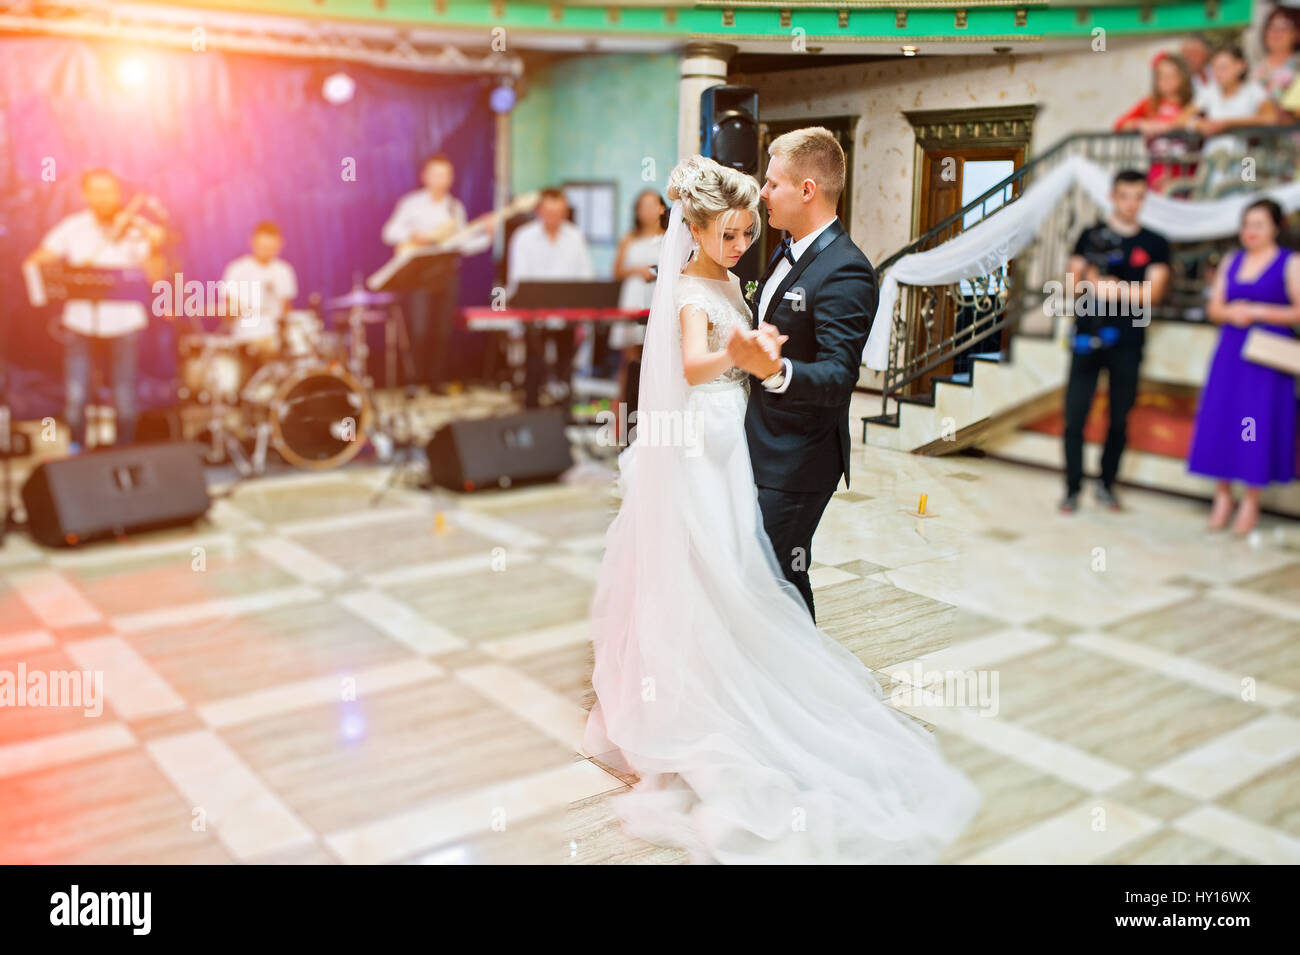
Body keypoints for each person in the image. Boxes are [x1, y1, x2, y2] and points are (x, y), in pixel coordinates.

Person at [583, 148, 980, 864]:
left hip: (761, 446)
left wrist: (765, 357)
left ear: (804, 187)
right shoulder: (696, 287)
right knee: (728, 575)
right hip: (715, 440)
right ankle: (727, 698)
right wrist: (747, 353)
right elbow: (692, 361)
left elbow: (828, 369)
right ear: (696, 229)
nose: (745, 236)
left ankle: (772, 695)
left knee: (751, 577)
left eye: (760, 201)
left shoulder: (827, 269)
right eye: (730, 231)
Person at [23, 169, 165, 451]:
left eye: (109, 192)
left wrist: (154, 247)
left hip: (125, 323)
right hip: (80, 321)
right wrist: (66, 275)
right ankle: (77, 451)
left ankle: (124, 451)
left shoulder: (135, 228)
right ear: (85, 195)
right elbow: (35, 261)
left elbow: (157, 278)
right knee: (77, 394)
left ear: (118, 194)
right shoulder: (73, 227)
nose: (103, 199)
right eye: (96, 192)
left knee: (124, 394)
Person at [1059, 169, 1172, 513]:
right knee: (1075, 415)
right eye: (1124, 195)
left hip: (1128, 342)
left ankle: (1106, 485)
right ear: (1112, 196)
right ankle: (1072, 488)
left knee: (1119, 418)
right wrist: (1087, 281)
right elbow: (1069, 286)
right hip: (1086, 337)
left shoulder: (1155, 242)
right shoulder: (1090, 236)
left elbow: (1152, 294)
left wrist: (1111, 289)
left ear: (1144, 199)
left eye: (1138, 196)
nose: (1130, 203)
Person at [1186, 199, 1300, 536]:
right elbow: (1214, 307)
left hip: (1266, 355)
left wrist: (1258, 311)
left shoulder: (1290, 262)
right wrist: (1231, 312)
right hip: (1231, 352)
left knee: (1255, 425)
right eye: (1247, 224)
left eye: (1259, 224)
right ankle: (1223, 496)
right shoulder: (1232, 261)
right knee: (1224, 419)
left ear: (1276, 227)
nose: (1251, 231)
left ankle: (1251, 499)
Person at [381, 153, 467, 394]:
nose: (441, 179)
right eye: (436, 173)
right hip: (419, 273)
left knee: (443, 330)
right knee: (419, 329)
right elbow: (389, 233)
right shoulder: (411, 204)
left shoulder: (455, 207)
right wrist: (413, 237)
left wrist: (486, 234)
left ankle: (436, 381)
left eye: (446, 174)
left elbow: (464, 244)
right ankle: (413, 381)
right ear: (425, 176)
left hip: (447, 270)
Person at [506, 187, 595, 404]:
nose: (554, 217)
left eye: (559, 212)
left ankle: (562, 411)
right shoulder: (523, 237)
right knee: (534, 365)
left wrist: (583, 314)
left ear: (565, 212)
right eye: (549, 211)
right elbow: (518, 279)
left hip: (567, 313)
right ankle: (532, 410)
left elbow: (586, 276)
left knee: (566, 366)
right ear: (539, 211)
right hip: (534, 314)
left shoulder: (575, 236)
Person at [611, 190, 667, 424]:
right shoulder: (629, 238)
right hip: (633, 297)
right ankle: (622, 418)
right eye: (641, 206)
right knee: (630, 360)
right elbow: (616, 271)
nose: (646, 211)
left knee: (655, 358)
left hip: (656, 298)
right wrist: (638, 270)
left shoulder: (668, 237)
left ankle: (651, 416)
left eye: (651, 205)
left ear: (662, 208)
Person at [1113, 53, 1200, 193]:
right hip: (1157, 167)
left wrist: (1169, 126)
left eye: (1171, 76)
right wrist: (1140, 124)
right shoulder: (1149, 104)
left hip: (1185, 168)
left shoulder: (1193, 104)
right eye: (1161, 76)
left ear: (1182, 77)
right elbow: (1120, 125)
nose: (1165, 81)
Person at [220, 221, 297, 359]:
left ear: (279, 245)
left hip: (276, 338)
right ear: (253, 242)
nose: (266, 250)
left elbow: (286, 308)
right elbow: (228, 310)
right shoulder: (237, 269)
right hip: (246, 338)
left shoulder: (284, 270)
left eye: (270, 247)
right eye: (262, 246)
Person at [1252, 7, 1300, 108]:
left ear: (1296, 33)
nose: (1276, 33)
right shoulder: (1252, 64)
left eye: (1284, 27)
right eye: (1271, 27)